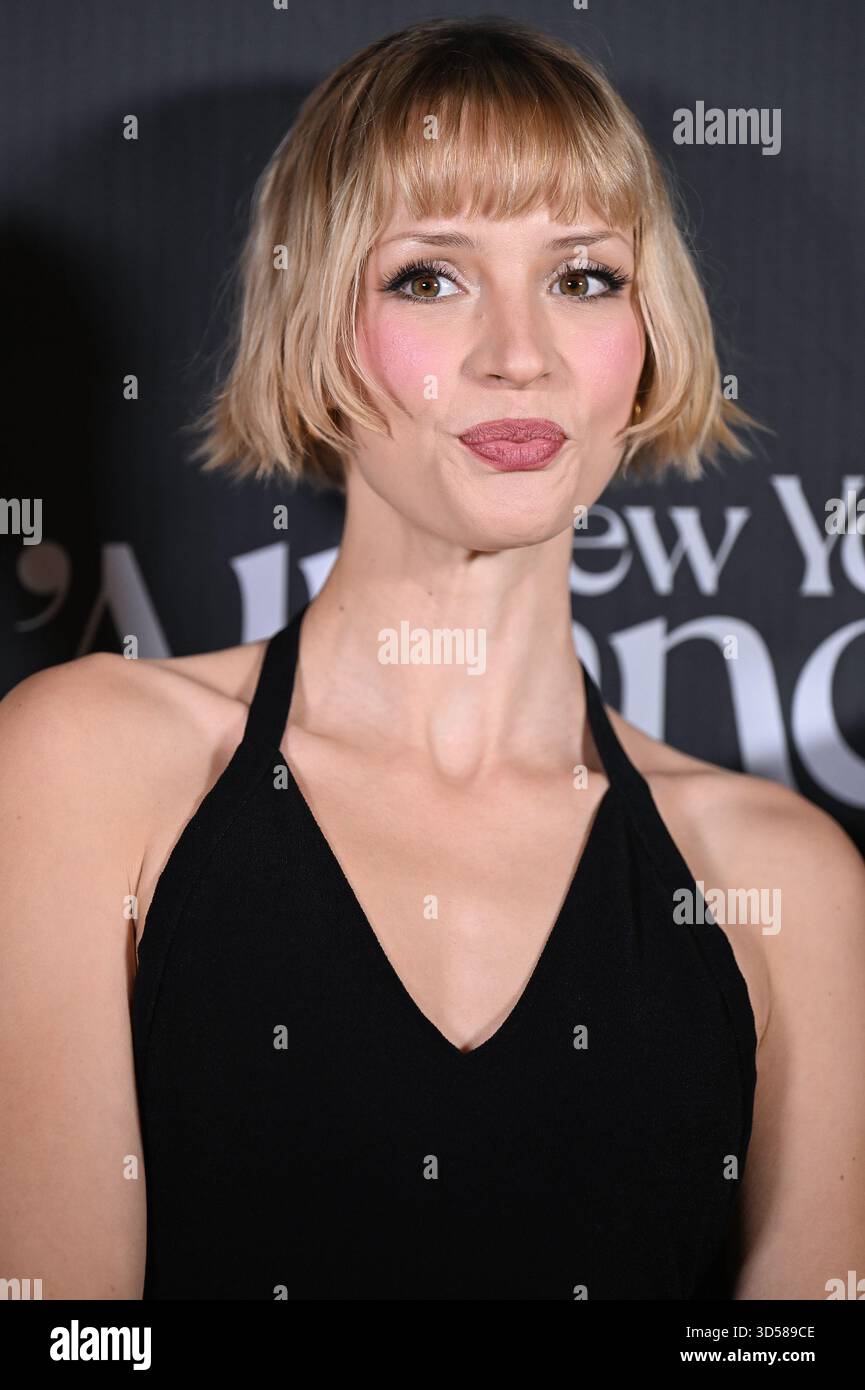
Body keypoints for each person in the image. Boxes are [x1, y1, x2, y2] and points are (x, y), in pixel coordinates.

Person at [1, 17, 862, 1301]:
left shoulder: (786, 881)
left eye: (582, 278)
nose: (520, 355)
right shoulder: (87, 769)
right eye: (428, 278)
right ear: (316, 327)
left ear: (647, 343)